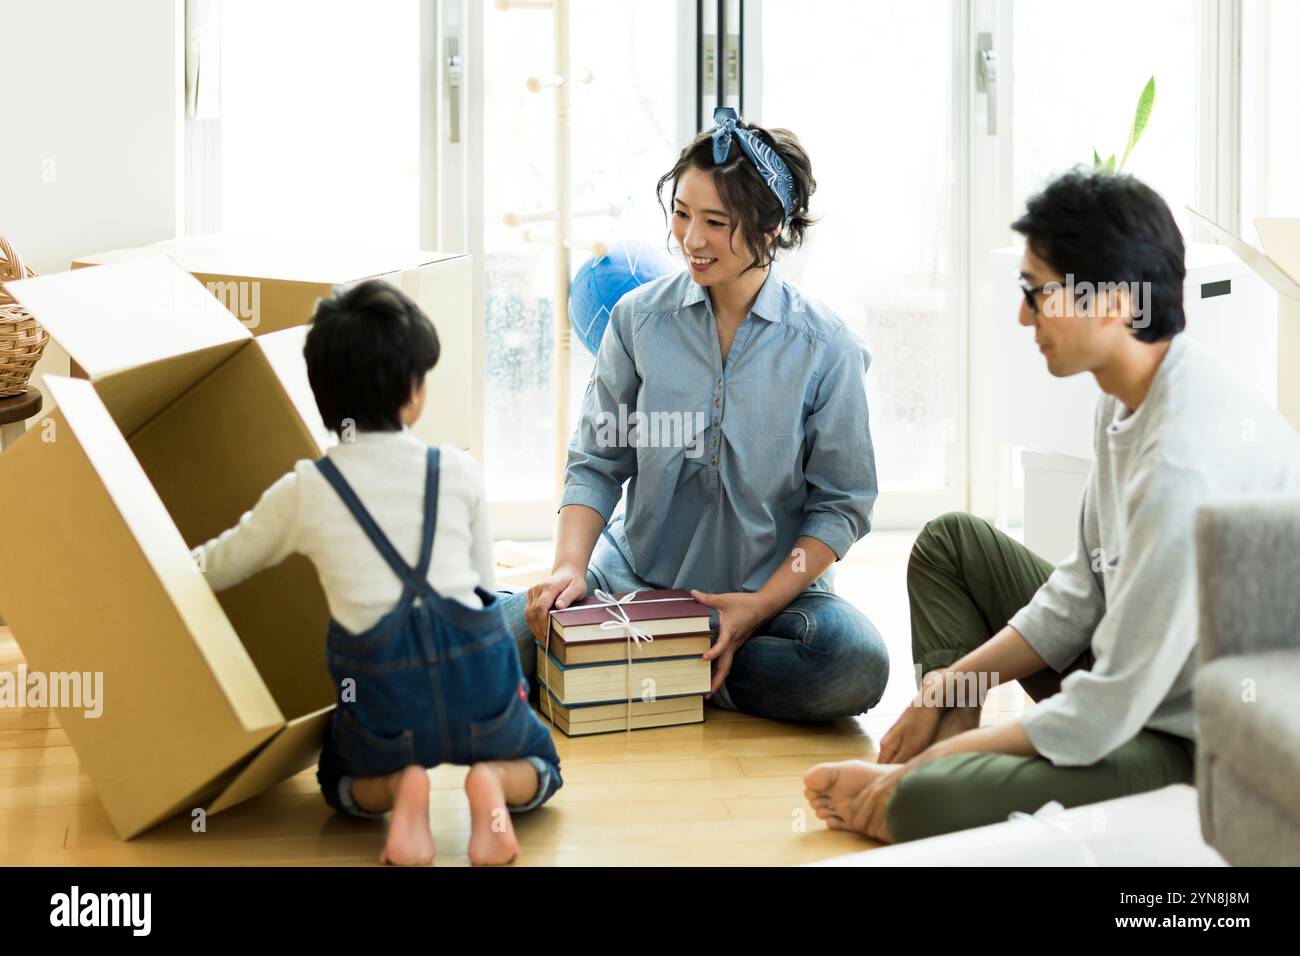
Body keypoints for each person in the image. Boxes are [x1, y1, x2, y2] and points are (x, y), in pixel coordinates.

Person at [805, 167, 1300, 842]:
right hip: (1132, 675)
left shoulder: (1185, 459)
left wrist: (935, 770)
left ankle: (923, 782)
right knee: (951, 544)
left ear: (1116, 303)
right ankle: (934, 757)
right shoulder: (1123, 396)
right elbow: (1083, 588)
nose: (1022, 315)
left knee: (923, 805)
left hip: (1187, 727)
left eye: (1039, 293)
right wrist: (943, 688)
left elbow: (1114, 702)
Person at [502, 107, 889, 721]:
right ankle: (684, 669)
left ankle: (637, 666)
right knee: (505, 633)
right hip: (634, 578)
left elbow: (841, 505)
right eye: (682, 213)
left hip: (772, 604)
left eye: (716, 222)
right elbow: (596, 463)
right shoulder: (637, 320)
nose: (691, 239)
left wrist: (757, 607)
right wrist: (571, 569)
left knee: (853, 663)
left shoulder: (826, 347)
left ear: (770, 230)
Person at [196, 281, 561, 866]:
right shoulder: (458, 470)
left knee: (338, 783)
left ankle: (402, 788)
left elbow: (220, 563)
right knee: (543, 769)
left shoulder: (306, 491)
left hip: (381, 699)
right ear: (413, 395)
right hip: (479, 687)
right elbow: (484, 590)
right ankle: (489, 782)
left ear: (323, 399)